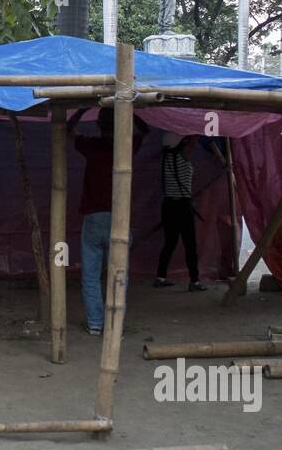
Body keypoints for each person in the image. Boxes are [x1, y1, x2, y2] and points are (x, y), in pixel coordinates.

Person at [67, 107, 147, 335]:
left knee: (90, 276)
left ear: (99, 126)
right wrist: (128, 110)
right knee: (119, 275)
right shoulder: (126, 147)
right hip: (119, 217)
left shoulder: (92, 146)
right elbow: (146, 132)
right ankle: (115, 324)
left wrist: (81, 109)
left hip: (94, 216)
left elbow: (68, 131)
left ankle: (95, 324)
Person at [153, 132, 206, 291]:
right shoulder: (182, 159)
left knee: (169, 243)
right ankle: (194, 281)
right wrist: (195, 130)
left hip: (168, 206)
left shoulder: (166, 160)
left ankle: (160, 277)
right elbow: (191, 144)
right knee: (190, 245)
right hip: (183, 207)